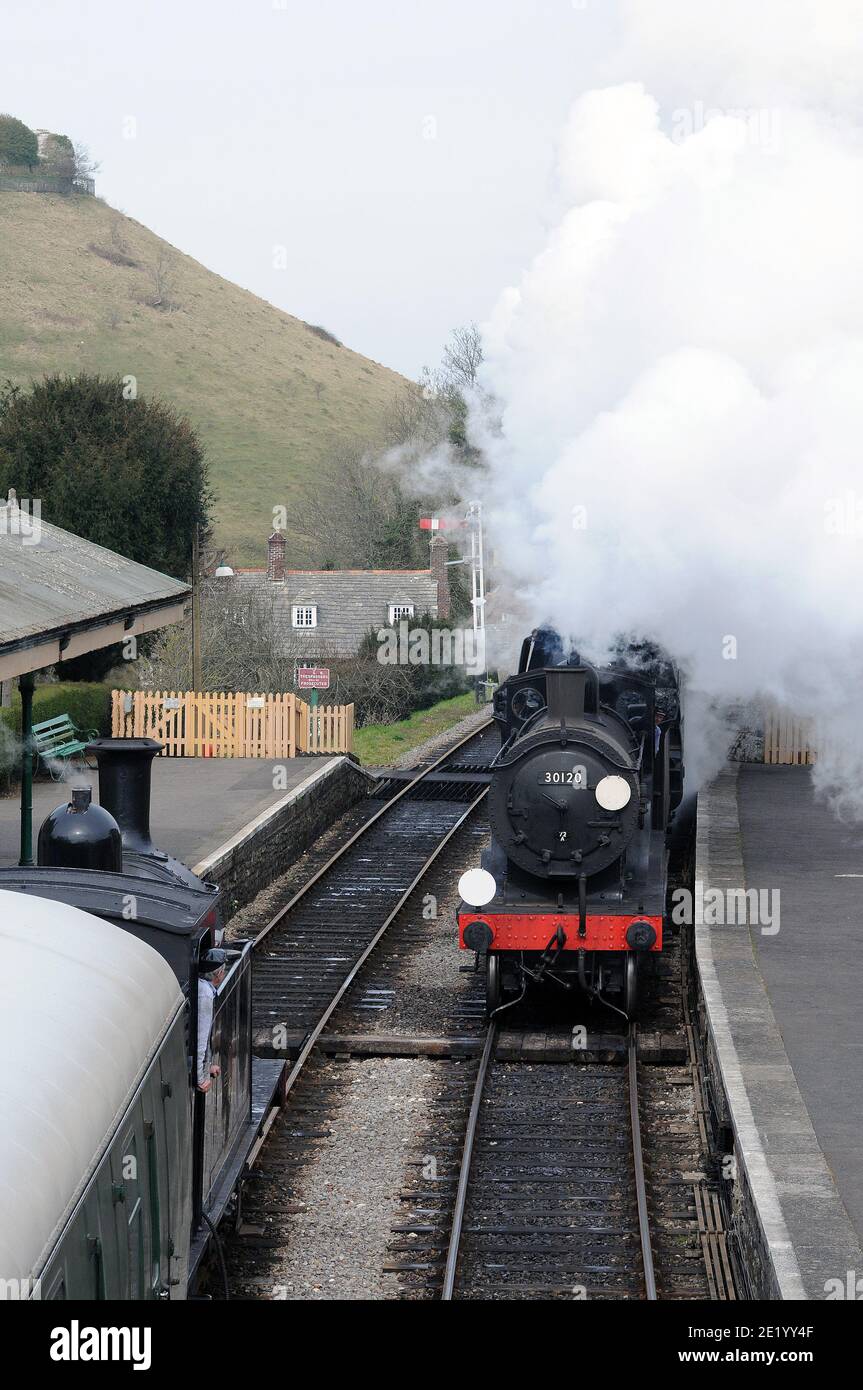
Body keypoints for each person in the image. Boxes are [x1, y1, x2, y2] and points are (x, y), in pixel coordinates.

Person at [197, 948, 227, 1093]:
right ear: (219, 974)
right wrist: (200, 1078)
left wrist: (207, 1066)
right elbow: (201, 1039)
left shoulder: (201, 986)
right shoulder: (205, 994)